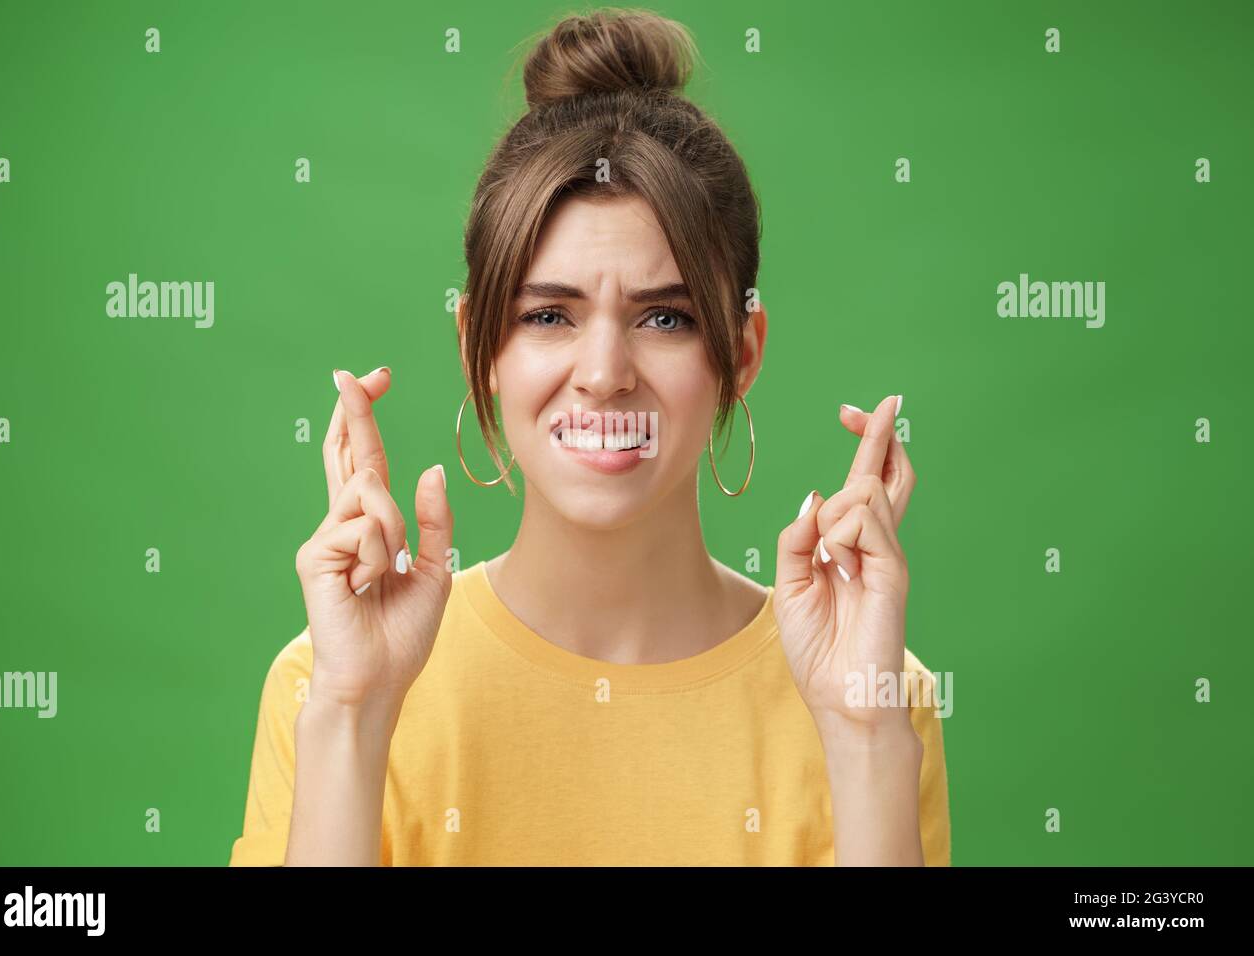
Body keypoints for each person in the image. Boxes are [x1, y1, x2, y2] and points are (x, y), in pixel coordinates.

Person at [230, 7, 949, 866]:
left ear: (742, 352)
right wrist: (352, 713)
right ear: (476, 347)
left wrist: (864, 733)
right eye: (548, 314)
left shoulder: (871, 686)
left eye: (665, 317)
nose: (605, 371)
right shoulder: (327, 680)